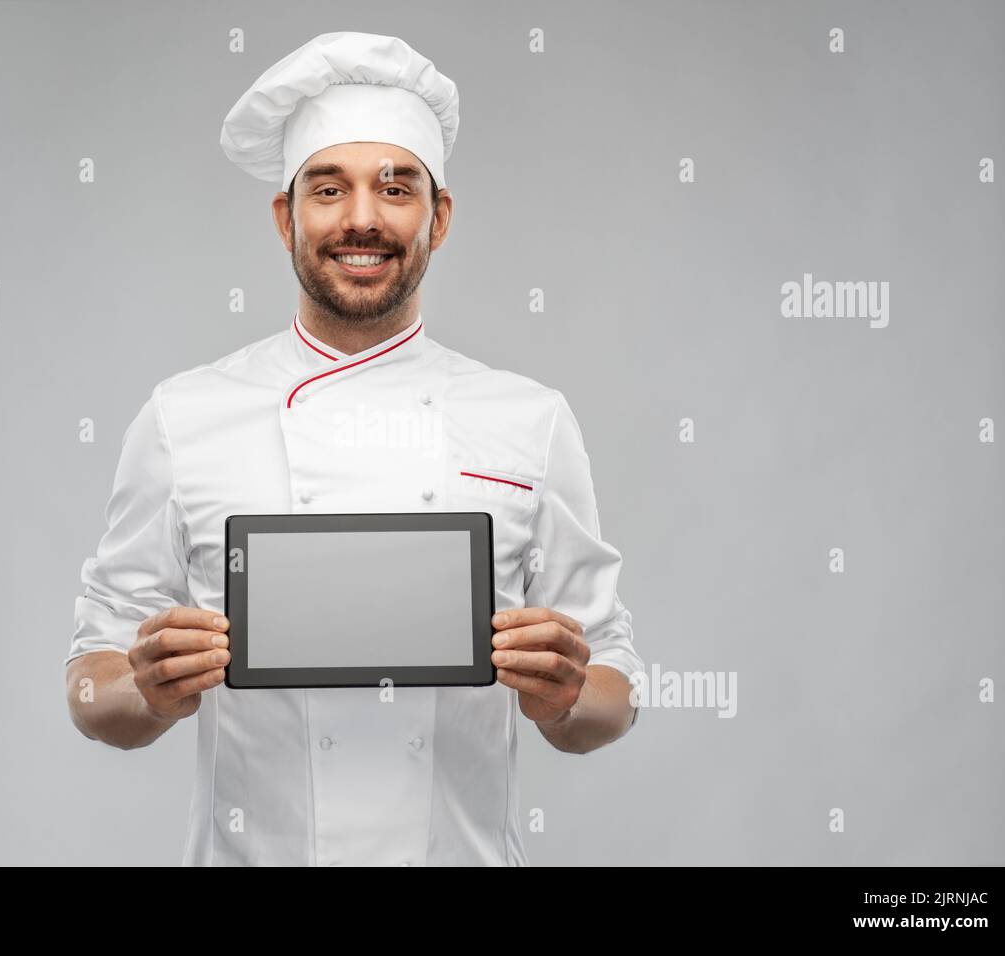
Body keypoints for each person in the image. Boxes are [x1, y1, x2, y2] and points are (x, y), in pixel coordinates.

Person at [64, 31, 643, 866]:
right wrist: (147, 692)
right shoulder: (182, 417)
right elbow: (91, 687)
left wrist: (564, 697)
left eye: (396, 187)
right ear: (285, 216)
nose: (363, 218)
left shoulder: (529, 418)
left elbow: (612, 694)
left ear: (437, 218)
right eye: (328, 188)